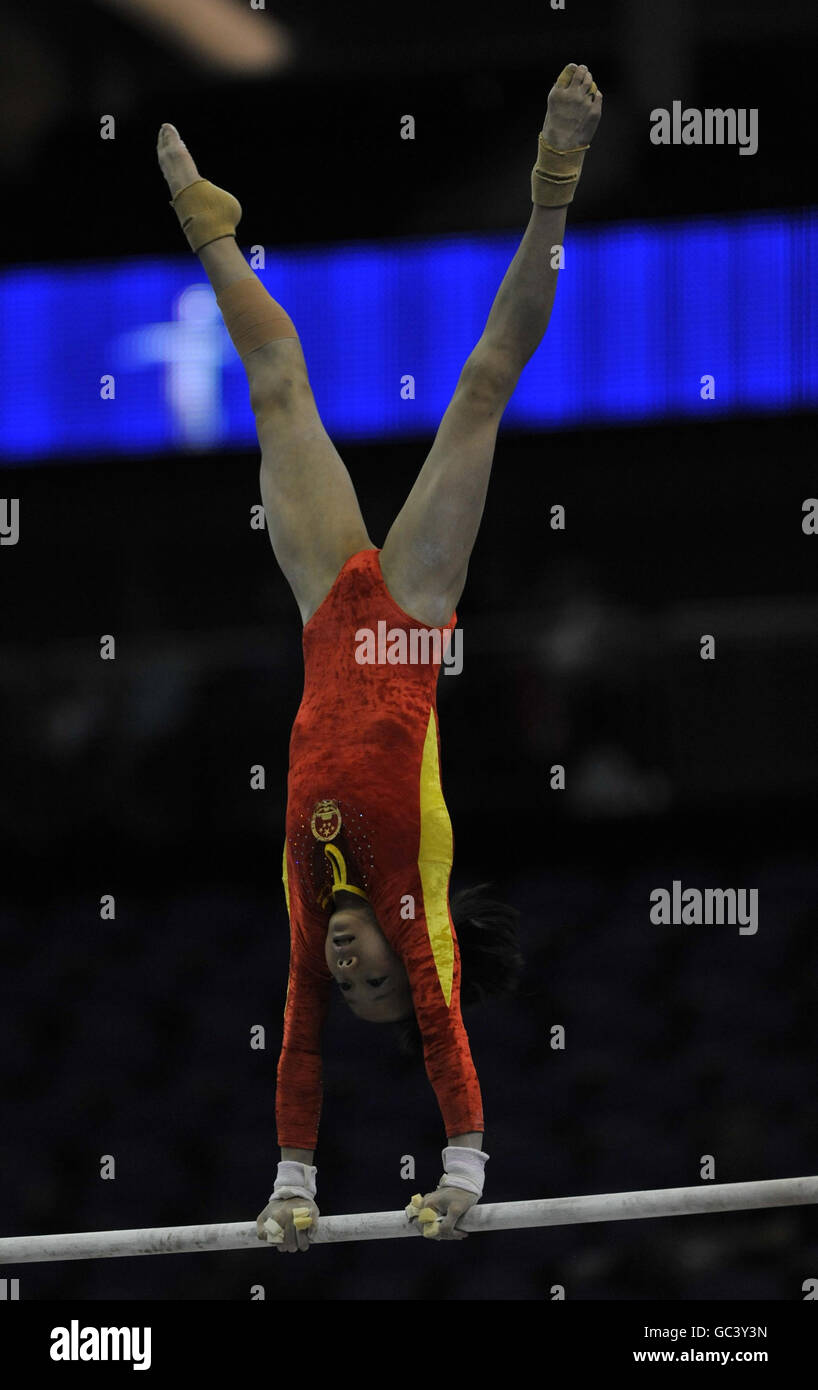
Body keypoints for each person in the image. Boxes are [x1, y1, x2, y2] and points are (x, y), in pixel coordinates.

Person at [156, 61, 602, 1252]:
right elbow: (446, 1040)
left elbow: (296, 1042)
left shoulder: (313, 918)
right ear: (408, 966)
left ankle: (211, 233)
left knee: (277, 391)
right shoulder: (415, 914)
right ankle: (553, 186)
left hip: (320, 616)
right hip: (406, 620)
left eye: (343, 977)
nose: (348, 967)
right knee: (477, 392)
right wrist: (463, 1170)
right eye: (372, 982)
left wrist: (290, 1180)